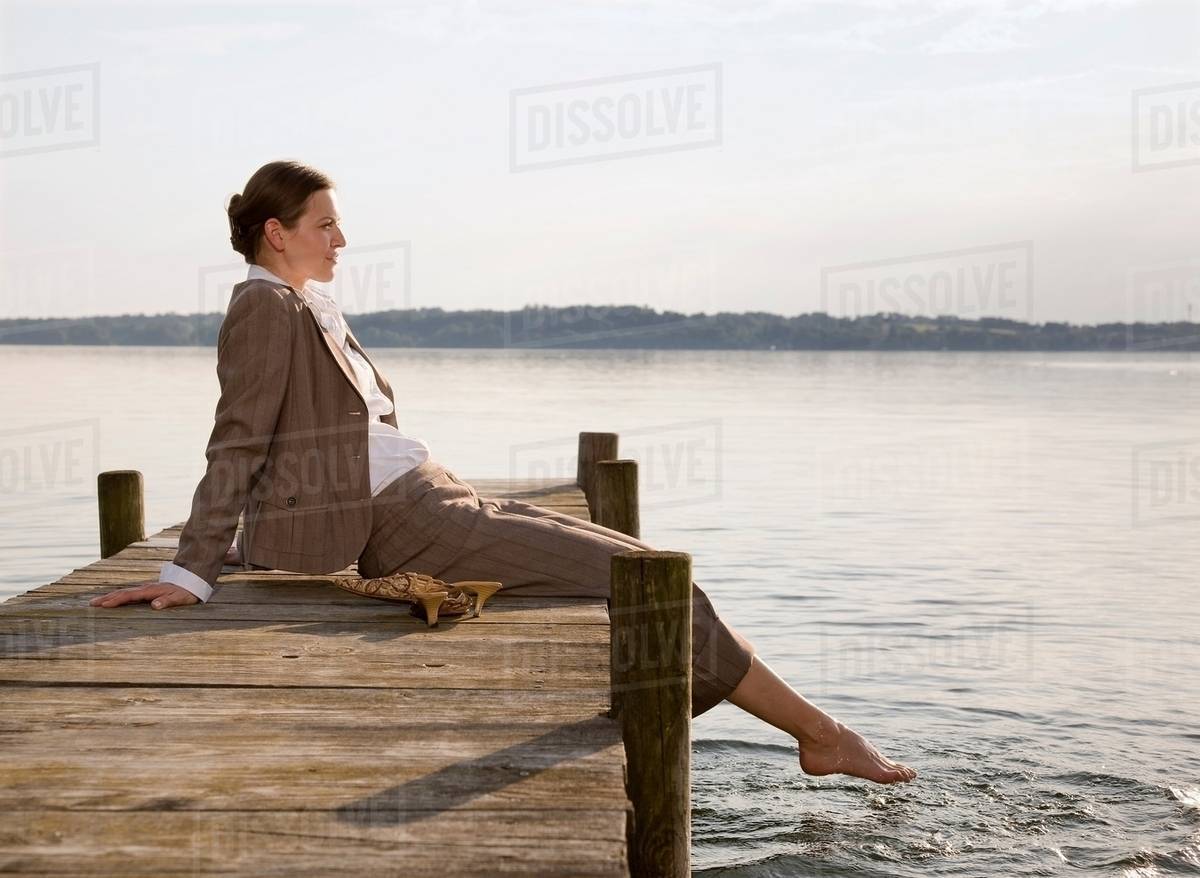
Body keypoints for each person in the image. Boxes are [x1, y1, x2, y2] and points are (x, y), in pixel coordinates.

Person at [90, 161, 917, 785]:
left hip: (434, 495)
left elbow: (306, 439)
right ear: (278, 231)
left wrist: (255, 538)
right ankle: (819, 734)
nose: (340, 240)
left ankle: (781, 728)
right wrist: (192, 569)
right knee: (652, 582)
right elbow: (238, 439)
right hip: (404, 521)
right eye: (325, 225)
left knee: (653, 567)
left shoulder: (306, 305)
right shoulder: (265, 307)